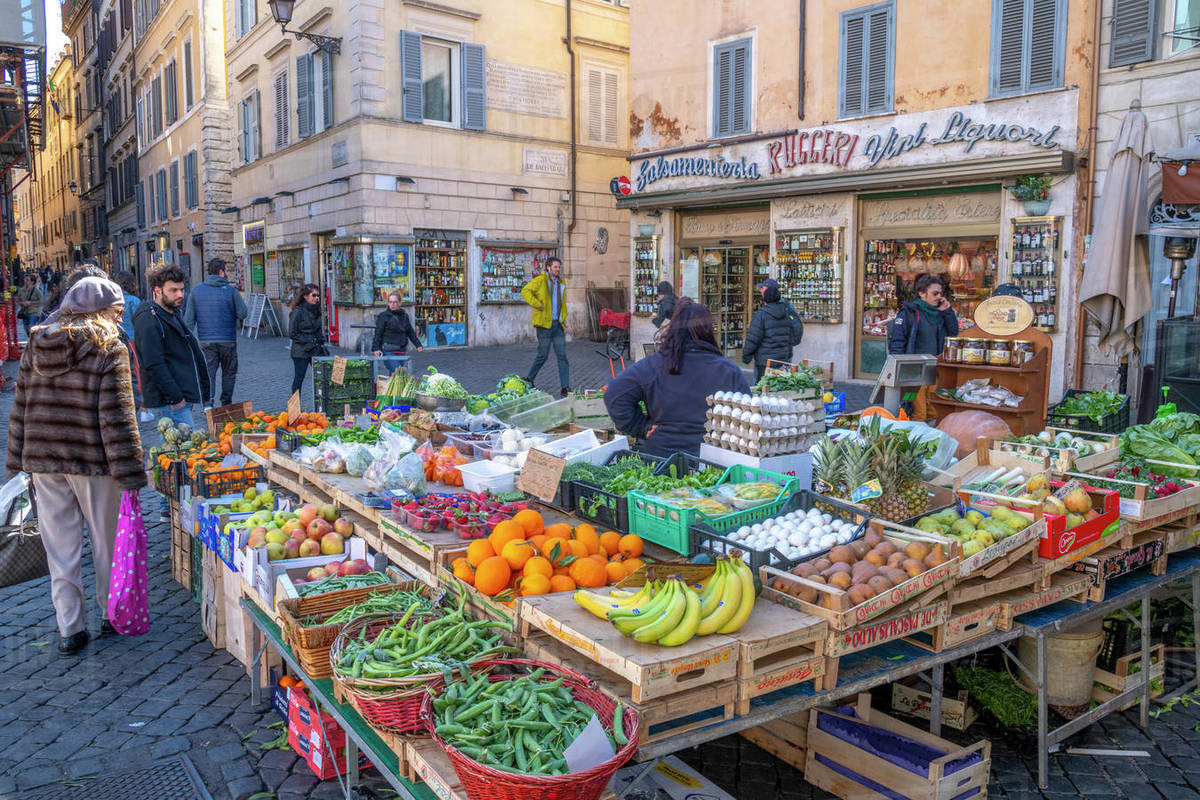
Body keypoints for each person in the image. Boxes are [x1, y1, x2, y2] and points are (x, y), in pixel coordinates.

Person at [7, 277, 145, 656]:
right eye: (116, 310)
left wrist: (17, 457)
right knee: (106, 543)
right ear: (99, 310)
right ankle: (109, 613)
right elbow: (116, 417)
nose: (120, 317)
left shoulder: (36, 342)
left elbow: (21, 405)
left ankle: (70, 628)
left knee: (60, 549)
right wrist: (131, 471)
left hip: (43, 459)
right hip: (92, 460)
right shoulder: (107, 346)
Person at [605, 299, 751, 458]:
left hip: (660, 459)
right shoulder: (728, 371)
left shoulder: (654, 365)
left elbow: (614, 394)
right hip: (712, 461)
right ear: (708, 331)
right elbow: (747, 419)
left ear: (672, 328)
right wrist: (641, 426)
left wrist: (640, 426)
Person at [133, 263, 210, 459]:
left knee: (179, 450)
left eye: (182, 289)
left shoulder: (171, 312)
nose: (180, 295)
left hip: (179, 394)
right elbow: (153, 363)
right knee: (184, 451)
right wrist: (175, 397)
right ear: (157, 291)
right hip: (170, 400)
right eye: (173, 290)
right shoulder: (149, 319)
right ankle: (179, 485)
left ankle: (179, 485)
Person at [887, 273, 959, 420]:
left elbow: (953, 332)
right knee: (918, 412)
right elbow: (898, 341)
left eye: (941, 293)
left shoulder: (940, 313)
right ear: (922, 293)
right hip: (914, 371)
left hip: (935, 369)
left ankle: (931, 439)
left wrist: (948, 311)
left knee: (933, 411)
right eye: (935, 293)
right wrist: (898, 368)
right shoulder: (909, 313)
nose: (939, 296)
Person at [183, 258, 248, 409]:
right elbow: (243, 313)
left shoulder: (196, 291)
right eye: (225, 271)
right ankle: (226, 402)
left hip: (206, 340)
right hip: (227, 340)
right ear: (220, 271)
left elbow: (188, 321)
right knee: (229, 373)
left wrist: (187, 341)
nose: (226, 274)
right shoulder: (232, 291)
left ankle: (208, 403)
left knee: (208, 372)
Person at [520, 256, 570, 396]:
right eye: (555, 267)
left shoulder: (562, 282)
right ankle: (529, 379)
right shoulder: (541, 280)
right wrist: (537, 304)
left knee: (562, 356)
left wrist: (563, 317)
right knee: (543, 355)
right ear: (548, 268)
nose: (558, 269)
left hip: (558, 325)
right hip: (544, 325)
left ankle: (565, 387)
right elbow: (525, 291)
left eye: (559, 267)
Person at [743, 284, 797, 382]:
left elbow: (753, 338)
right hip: (782, 359)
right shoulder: (786, 313)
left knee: (762, 389)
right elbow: (792, 336)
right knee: (780, 388)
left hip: (765, 361)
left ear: (765, 298)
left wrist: (746, 356)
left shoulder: (761, 314)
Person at [371, 291, 423, 378]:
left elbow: (409, 331)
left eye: (395, 302)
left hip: (401, 351)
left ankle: (390, 391)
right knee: (399, 375)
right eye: (390, 302)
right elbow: (378, 333)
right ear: (388, 303)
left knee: (394, 377)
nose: (392, 304)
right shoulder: (383, 316)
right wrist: (376, 348)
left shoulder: (404, 316)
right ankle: (396, 391)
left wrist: (418, 344)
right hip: (388, 351)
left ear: (399, 303)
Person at [288, 283, 325, 395]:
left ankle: (322, 404)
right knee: (299, 379)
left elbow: (318, 329)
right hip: (301, 351)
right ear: (305, 296)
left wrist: (320, 339)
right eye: (313, 295)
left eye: (318, 295)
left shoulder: (316, 310)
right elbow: (292, 333)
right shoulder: (298, 312)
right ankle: (295, 408)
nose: (316, 298)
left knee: (323, 376)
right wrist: (308, 340)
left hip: (314, 348)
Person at [16, 273, 42, 338]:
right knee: (26, 329)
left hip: (34, 312)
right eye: (25, 280)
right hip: (24, 313)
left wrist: (31, 303)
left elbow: (41, 302)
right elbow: (18, 301)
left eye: (27, 280)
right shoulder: (21, 290)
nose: (25, 281)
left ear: (32, 282)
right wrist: (22, 303)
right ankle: (32, 341)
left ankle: (34, 343)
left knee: (31, 328)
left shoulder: (36, 291)